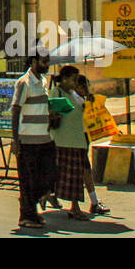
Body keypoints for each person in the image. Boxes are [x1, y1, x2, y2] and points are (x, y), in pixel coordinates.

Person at [11, 50, 56, 229]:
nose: (47, 65)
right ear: (34, 62)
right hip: (28, 140)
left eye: (48, 62)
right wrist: (16, 140)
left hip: (45, 138)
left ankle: (39, 202)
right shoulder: (24, 83)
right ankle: (27, 216)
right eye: (44, 62)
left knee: (48, 174)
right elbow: (15, 111)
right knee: (28, 180)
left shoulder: (44, 82)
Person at [51, 66, 93, 221]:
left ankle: (73, 206)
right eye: (73, 79)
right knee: (62, 174)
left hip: (78, 139)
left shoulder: (75, 95)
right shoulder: (57, 92)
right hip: (63, 140)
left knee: (76, 176)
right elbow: (54, 114)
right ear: (64, 79)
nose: (76, 82)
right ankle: (68, 205)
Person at [74, 74, 110, 216]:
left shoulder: (85, 99)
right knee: (83, 170)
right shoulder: (75, 100)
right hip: (75, 138)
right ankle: (91, 203)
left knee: (83, 170)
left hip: (84, 136)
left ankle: (93, 202)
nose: (85, 89)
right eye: (83, 87)